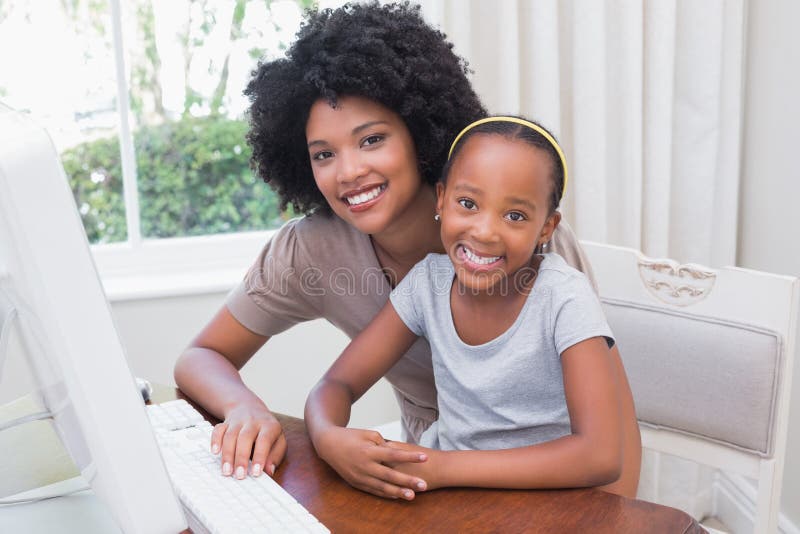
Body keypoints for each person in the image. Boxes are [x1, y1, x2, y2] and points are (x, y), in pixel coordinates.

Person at [173, 1, 641, 499]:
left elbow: (609, 437)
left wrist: (625, 520)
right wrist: (246, 408)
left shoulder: (530, 252)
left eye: (371, 139)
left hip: (556, 485)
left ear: (420, 134)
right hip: (430, 479)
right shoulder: (317, 253)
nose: (349, 171)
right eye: (324, 154)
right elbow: (202, 355)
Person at [305, 116, 623, 498]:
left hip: (548, 503)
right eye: (468, 203)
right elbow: (337, 384)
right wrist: (328, 436)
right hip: (451, 499)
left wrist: (444, 467)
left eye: (515, 216)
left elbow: (600, 456)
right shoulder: (428, 285)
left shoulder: (564, 297)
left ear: (546, 228)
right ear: (441, 199)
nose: (485, 231)